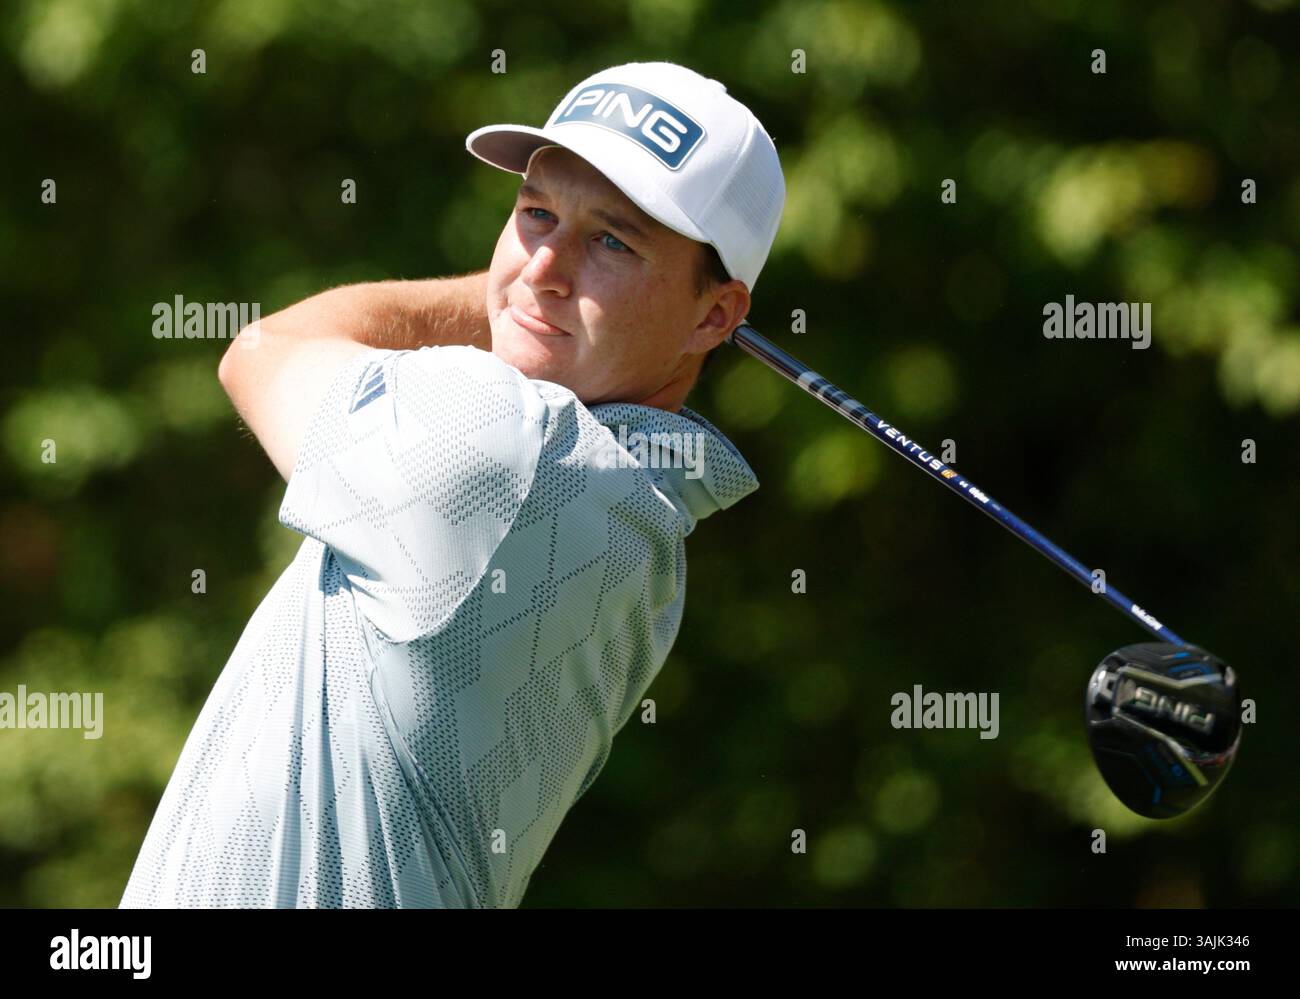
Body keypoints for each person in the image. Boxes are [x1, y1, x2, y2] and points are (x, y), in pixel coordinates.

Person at [119, 60, 785, 908]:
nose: (546, 263)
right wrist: (544, 300)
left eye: (612, 240)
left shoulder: (507, 448)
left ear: (716, 315)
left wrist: (504, 296)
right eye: (536, 213)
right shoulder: (645, 517)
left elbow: (261, 351)